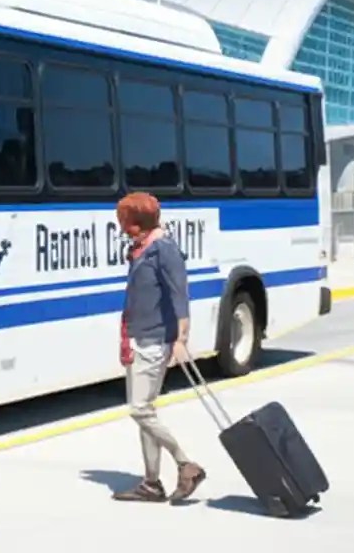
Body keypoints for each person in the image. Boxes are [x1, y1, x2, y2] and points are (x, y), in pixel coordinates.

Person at [111, 191, 207, 503]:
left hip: (154, 340)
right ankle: (151, 483)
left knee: (139, 409)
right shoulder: (142, 249)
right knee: (145, 413)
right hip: (137, 338)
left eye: (125, 221)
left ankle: (185, 463)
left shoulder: (164, 250)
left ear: (137, 222)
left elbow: (180, 294)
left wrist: (181, 338)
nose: (122, 228)